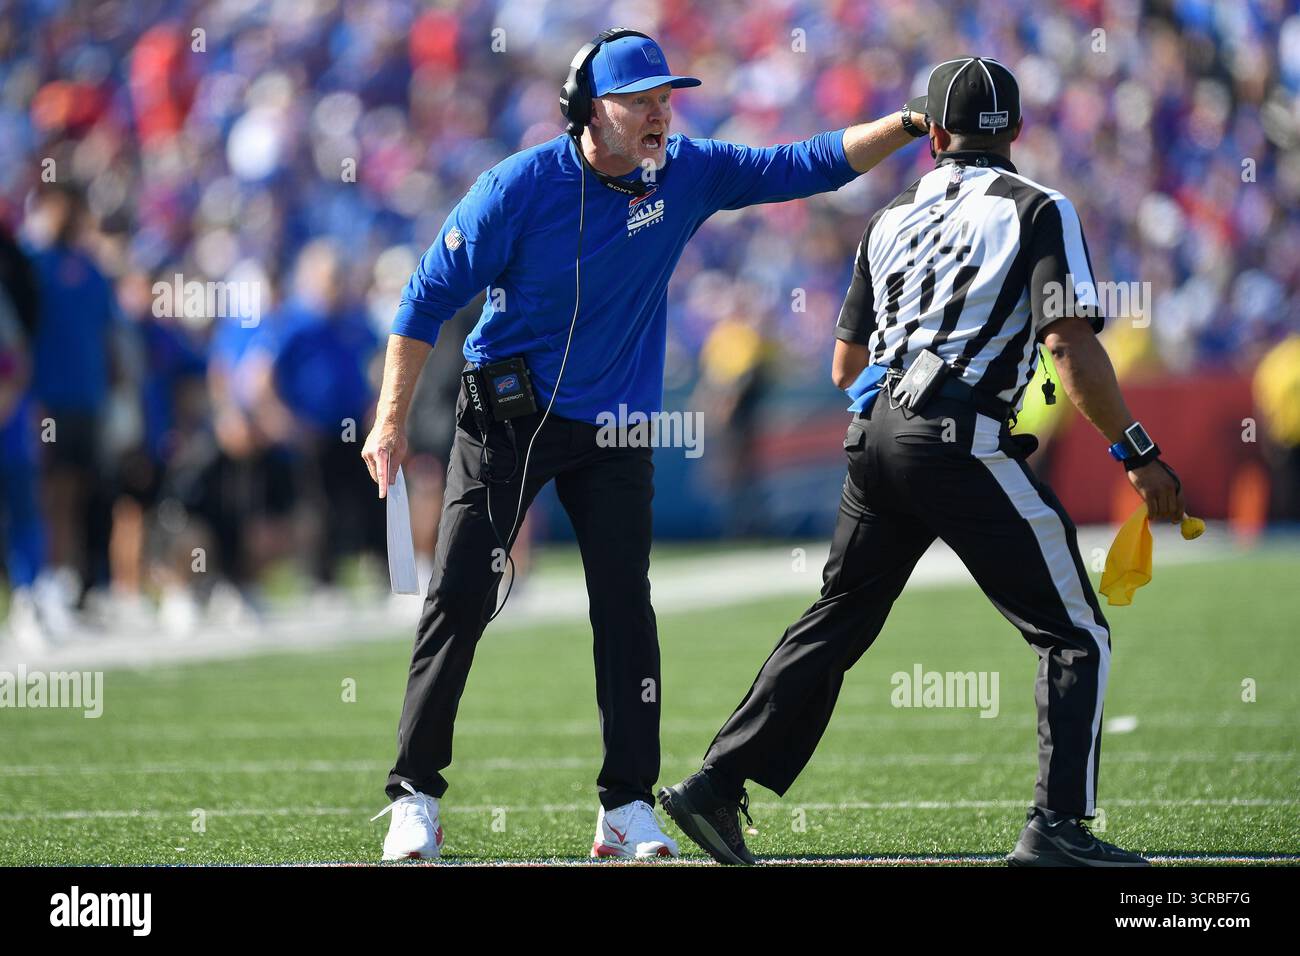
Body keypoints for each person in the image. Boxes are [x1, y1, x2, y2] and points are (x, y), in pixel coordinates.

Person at [362, 29, 927, 861]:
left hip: (617, 428)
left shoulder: (685, 169)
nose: (662, 114)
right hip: (509, 420)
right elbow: (420, 304)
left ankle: (625, 806)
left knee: (626, 609)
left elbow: (804, 163)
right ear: (592, 110)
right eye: (642, 101)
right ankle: (415, 796)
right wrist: (388, 420)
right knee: (457, 594)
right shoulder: (514, 188)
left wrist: (907, 123)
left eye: (668, 99)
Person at [658, 57, 1185, 867]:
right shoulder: (1039, 208)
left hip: (874, 437)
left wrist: (912, 375)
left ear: (932, 135)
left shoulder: (891, 215)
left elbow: (844, 367)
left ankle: (715, 785)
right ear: (1016, 131)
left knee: (837, 619)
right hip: (956, 436)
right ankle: (1059, 828)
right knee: (1073, 629)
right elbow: (1068, 344)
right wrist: (1137, 453)